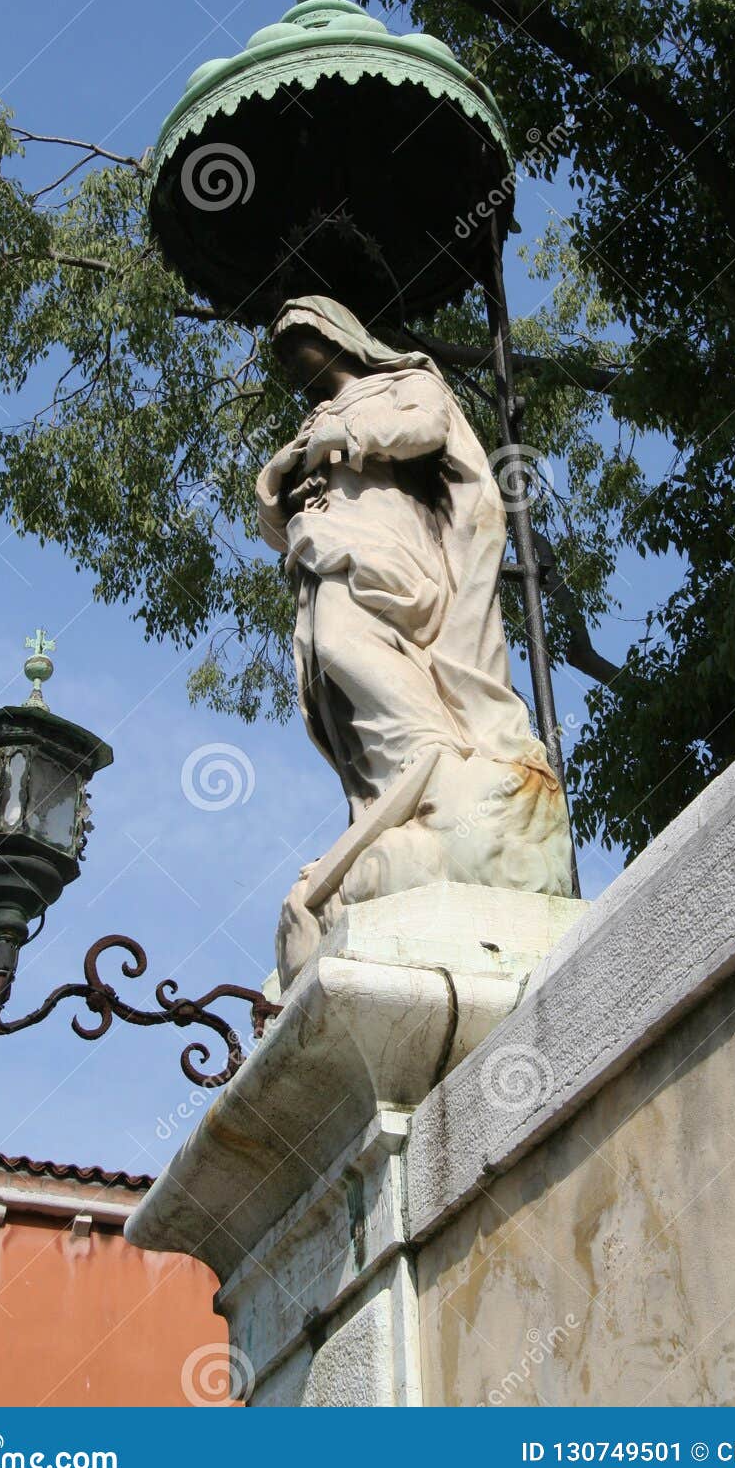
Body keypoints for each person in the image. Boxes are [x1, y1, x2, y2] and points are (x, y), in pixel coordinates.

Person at [258, 296, 573, 985]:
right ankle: (384, 798)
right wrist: (286, 474)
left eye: (299, 334)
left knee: (346, 642)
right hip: (321, 548)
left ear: (336, 332)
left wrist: (345, 438)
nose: (288, 351)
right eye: (279, 347)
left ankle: (426, 751)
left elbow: (427, 427)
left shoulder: (406, 381)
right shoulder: (311, 416)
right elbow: (273, 508)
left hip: (387, 543)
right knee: (326, 675)